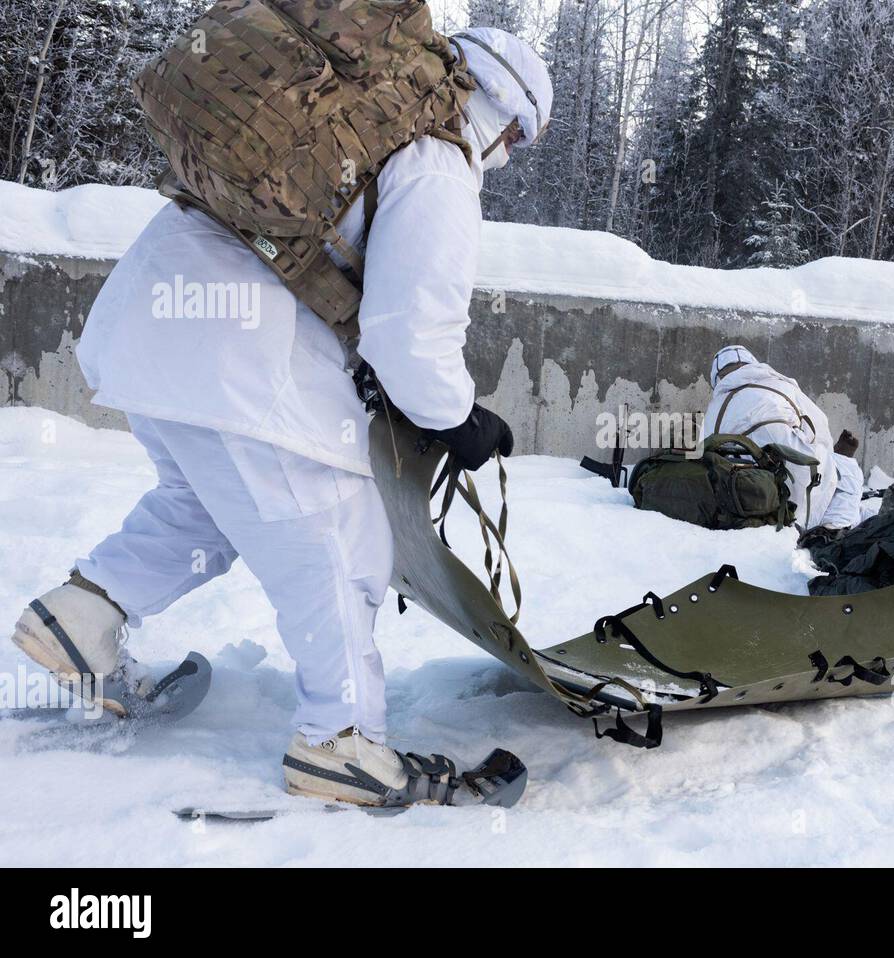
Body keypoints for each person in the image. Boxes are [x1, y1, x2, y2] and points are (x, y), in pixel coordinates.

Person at [9, 28, 551, 808]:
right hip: (238, 367)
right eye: (518, 140)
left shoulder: (358, 115)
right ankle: (341, 745)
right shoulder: (438, 160)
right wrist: (459, 420)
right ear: (506, 117)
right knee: (340, 543)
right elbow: (413, 333)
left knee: (204, 508)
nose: (507, 155)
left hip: (150, 320)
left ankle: (80, 618)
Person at [701, 345, 861, 530]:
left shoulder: (713, 410)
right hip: (793, 481)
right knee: (846, 470)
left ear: (717, 379)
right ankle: (834, 529)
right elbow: (820, 430)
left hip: (742, 493)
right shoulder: (781, 386)